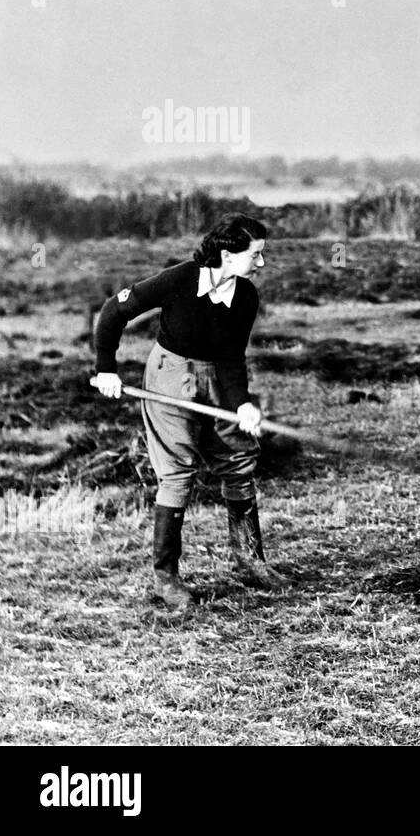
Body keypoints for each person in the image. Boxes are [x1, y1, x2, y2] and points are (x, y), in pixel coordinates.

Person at [93, 212, 287, 607]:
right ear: (229, 256)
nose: (262, 263)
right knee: (178, 471)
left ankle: (249, 559)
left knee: (240, 460)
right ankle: (166, 579)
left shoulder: (245, 296)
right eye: (256, 255)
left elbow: (233, 357)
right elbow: (113, 311)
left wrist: (243, 403)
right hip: (170, 375)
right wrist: (106, 370)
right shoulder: (178, 280)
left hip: (216, 376)